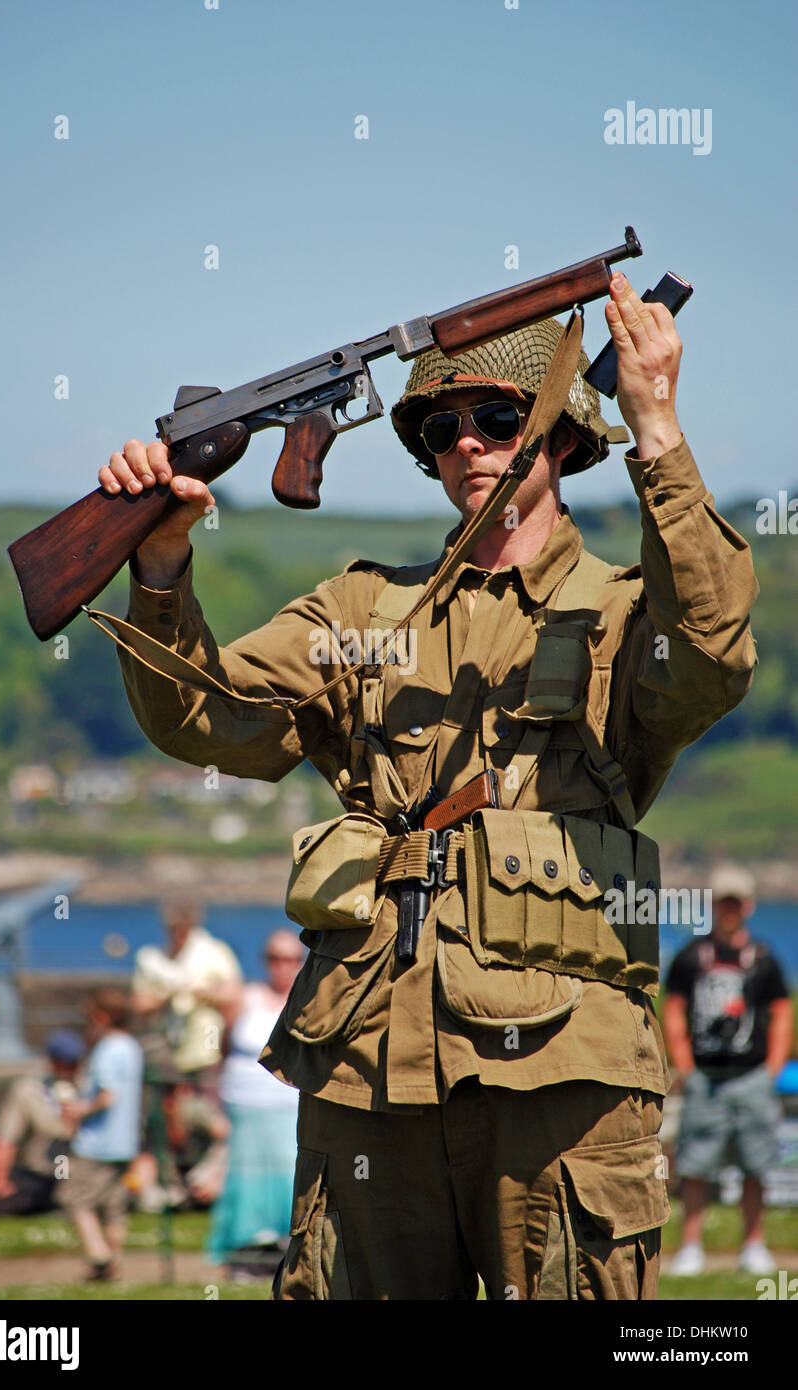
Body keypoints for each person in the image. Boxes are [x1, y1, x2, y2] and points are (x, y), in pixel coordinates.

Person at [96, 273, 758, 1299]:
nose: (468, 444)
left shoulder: (628, 614)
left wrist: (659, 431)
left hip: (563, 1078)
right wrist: (161, 565)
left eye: (498, 417)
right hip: (367, 1062)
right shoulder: (362, 606)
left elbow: (715, 650)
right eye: (440, 427)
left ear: (566, 440)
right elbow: (209, 717)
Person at [664, 864, 793, 1276]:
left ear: (748, 906)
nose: (730, 910)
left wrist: (772, 1067)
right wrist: (684, 1064)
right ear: (713, 905)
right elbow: (673, 1009)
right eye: (723, 902)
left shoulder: (764, 959)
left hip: (751, 1077)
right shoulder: (690, 956)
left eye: (736, 902)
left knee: (756, 1165)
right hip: (706, 1078)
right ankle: (691, 1247)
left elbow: (780, 1012)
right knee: (696, 1165)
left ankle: (754, 1245)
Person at [205, 929, 304, 1273]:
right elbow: (222, 1046)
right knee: (245, 1175)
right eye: (276, 958)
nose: (284, 967)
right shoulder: (244, 997)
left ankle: (286, 1244)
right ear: (265, 962)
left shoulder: (308, 999)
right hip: (244, 1102)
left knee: (289, 1172)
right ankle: (243, 1247)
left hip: (289, 1103)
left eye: (292, 959)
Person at [56, 987, 143, 1281]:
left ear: (101, 1016)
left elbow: (107, 1096)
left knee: (73, 1197)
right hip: (125, 1142)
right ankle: (111, 1265)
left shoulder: (107, 1049)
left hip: (97, 1143)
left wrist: (78, 1110)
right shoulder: (132, 1046)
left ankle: (99, 1255)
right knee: (113, 1207)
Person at [130, 898, 242, 1085]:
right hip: (165, 1049)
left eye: (185, 926)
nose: (180, 933)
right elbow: (138, 1003)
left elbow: (233, 994)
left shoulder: (215, 951)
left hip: (207, 1047)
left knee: (207, 1100)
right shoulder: (151, 958)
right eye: (175, 927)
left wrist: (203, 994)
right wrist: (166, 995)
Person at [0, 1030, 86, 1216]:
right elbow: (6, 1138)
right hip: (40, 1175)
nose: (67, 1069)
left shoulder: (91, 1088)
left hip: (80, 1172)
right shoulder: (30, 1090)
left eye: (72, 1063)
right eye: (62, 1062)